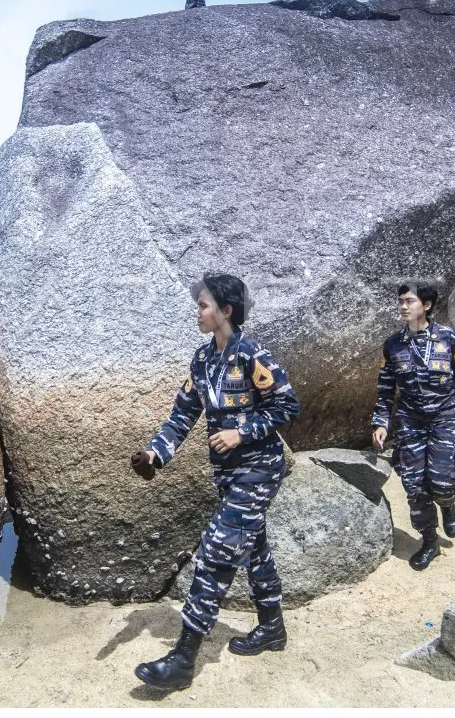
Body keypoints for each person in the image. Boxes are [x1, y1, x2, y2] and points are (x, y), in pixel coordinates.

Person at [130, 273, 299, 691]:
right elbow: (183, 413)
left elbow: (286, 404)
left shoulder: (252, 354)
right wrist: (155, 454)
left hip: (258, 468)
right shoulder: (203, 360)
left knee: (218, 551)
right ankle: (272, 628)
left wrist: (242, 431)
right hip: (228, 474)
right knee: (254, 549)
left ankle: (184, 659)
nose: (197, 312)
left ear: (226, 310)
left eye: (203, 305)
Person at [371, 282, 455, 570]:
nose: (404, 307)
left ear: (427, 305)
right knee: (414, 485)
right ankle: (429, 540)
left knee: (442, 482)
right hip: (410, 421)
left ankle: (447, 502)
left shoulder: (448, 338)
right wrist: (381, 422)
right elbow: (385, 389)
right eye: (401, 302)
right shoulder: (393, 344)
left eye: (410, 301)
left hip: (444, 418)